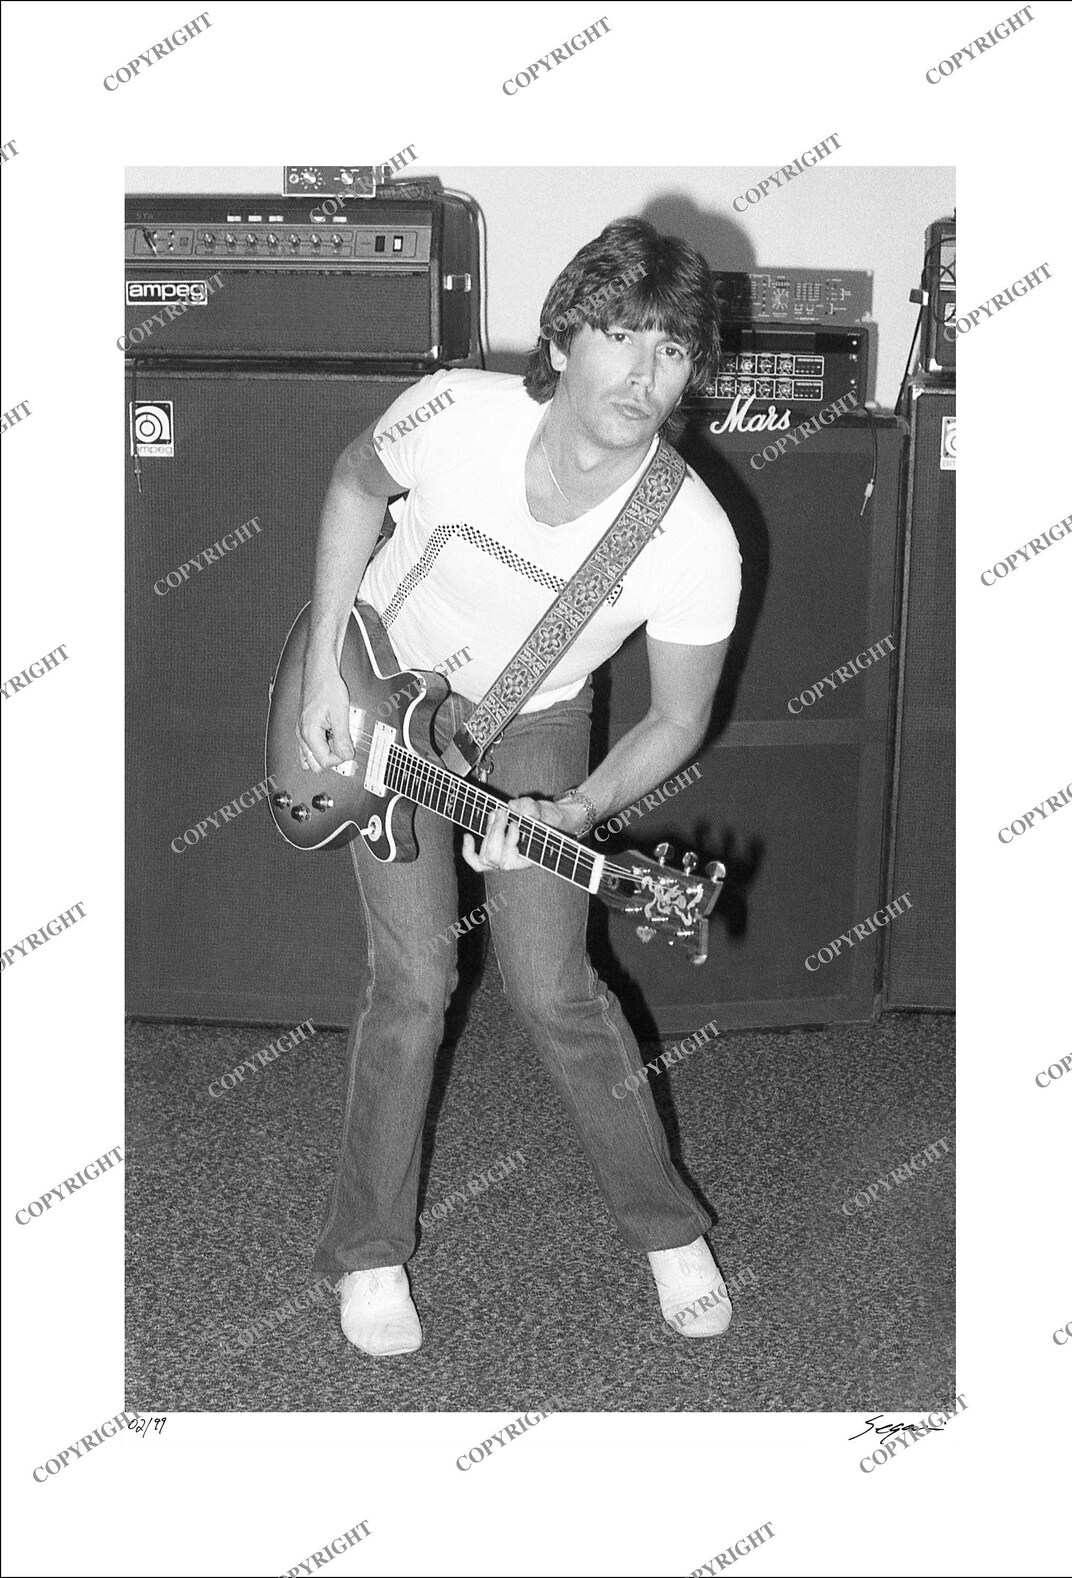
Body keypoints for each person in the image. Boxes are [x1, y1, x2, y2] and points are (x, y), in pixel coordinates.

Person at [297, 216, 742, 1357]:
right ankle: (368, 1254)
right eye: (622, 334)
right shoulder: (458, 414)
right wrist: (319, 671)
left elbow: (679, 716)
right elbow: (355, 484)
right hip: (378, 680)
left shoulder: (690, 536)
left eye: (675, 351)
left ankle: (668, 1230)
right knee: (415, 980)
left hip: (539, 717)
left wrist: (579, 810)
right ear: (563, 336)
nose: (645, 374)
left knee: (555, 990)